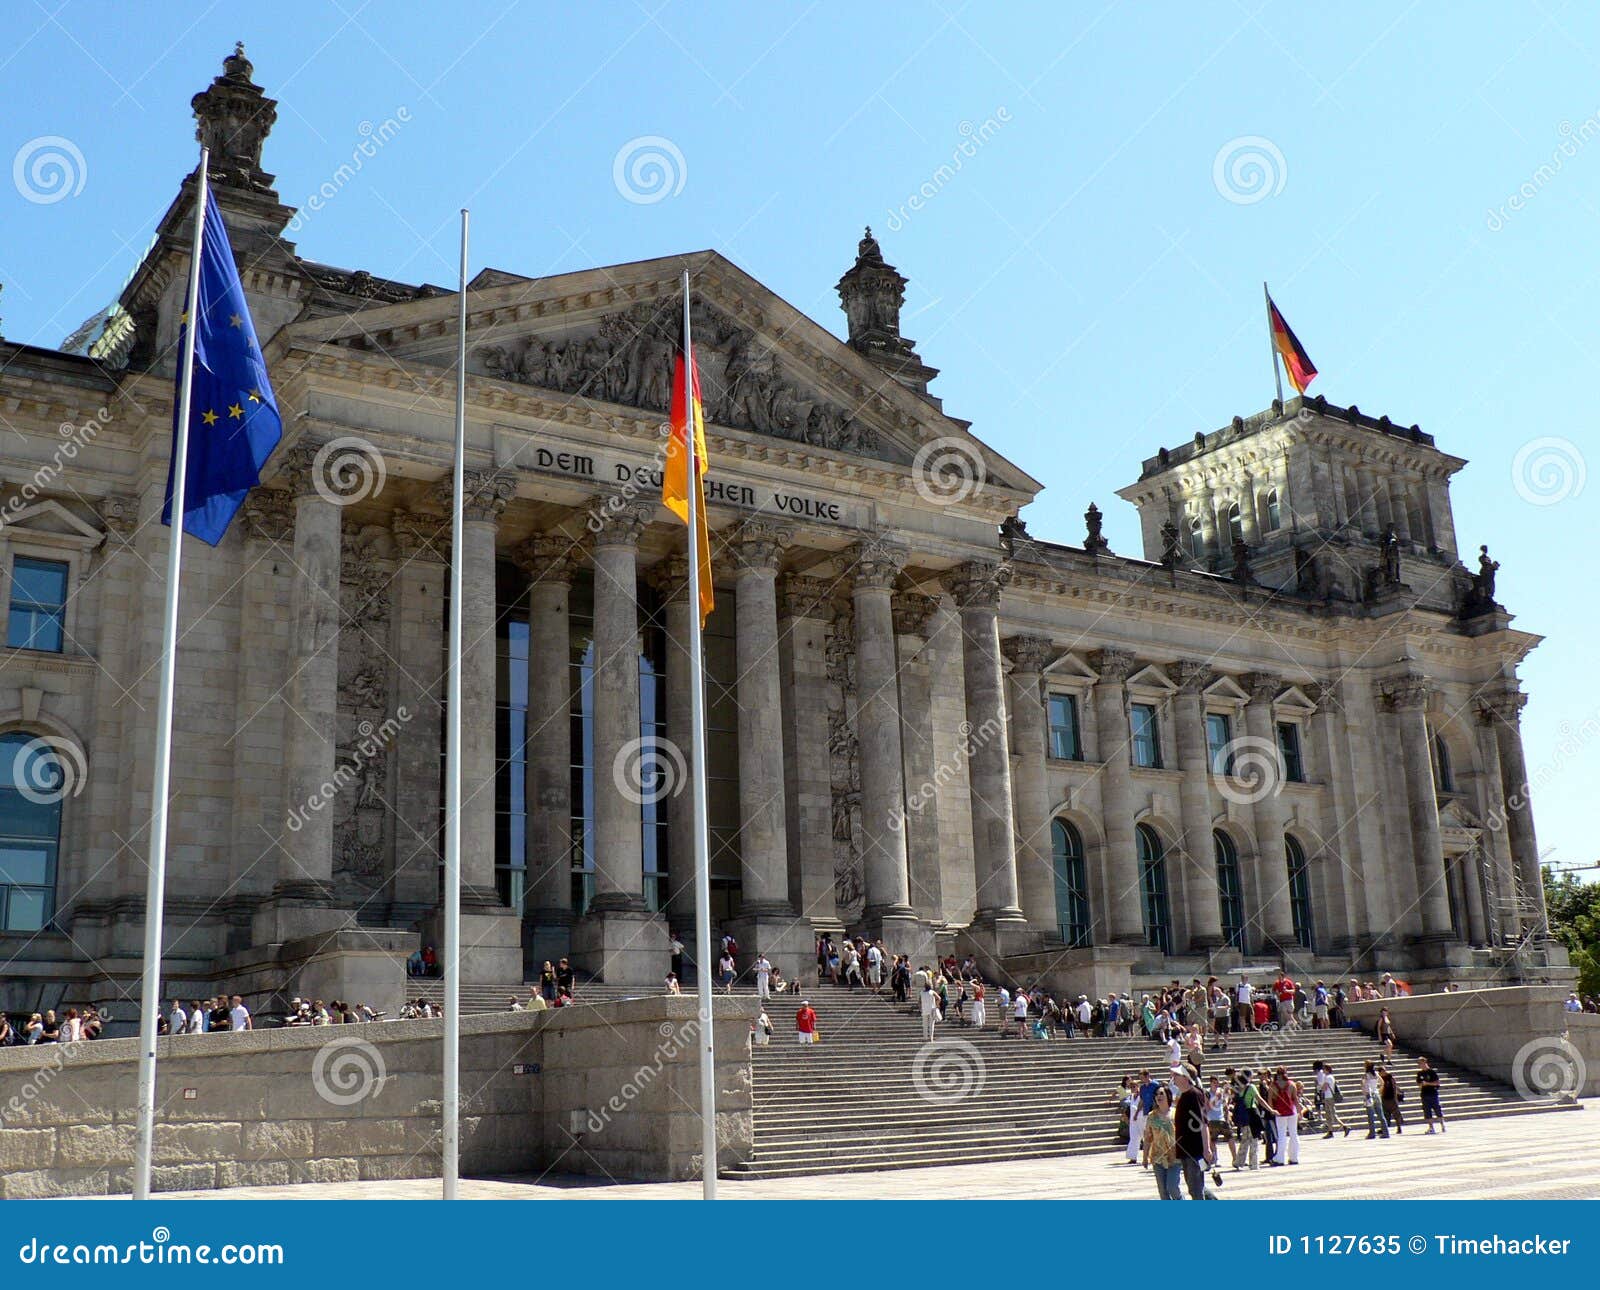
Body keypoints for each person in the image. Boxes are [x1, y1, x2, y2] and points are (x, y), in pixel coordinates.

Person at [1171, 1068, 1214, 1198]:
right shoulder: (1184, 1095)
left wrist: (1206, 1149)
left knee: (1196, 1189)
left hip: (1194, 1151)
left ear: (1186, 1077)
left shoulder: (1194, 1094)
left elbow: (1203, 1122)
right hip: (1185, 1150)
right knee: (1196, 1187)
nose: (1173, 1076)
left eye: (1177, 1074)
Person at [1140, 1086, 1182, 1199]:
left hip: (1175, 1158)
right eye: (1156, 1094)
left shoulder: (1176, 1113)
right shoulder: (1151, 1116)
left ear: (1168, 1096)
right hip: (1157, 1157)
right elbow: (1148, 1138)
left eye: (1161, 1093)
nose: (1158, 1096)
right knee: (1163, 1192)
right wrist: (1145, 1157)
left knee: (1173, 1188)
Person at [1266, 1066, 1300, 1165]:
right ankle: (1294, 1157)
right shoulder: (1292, 1084)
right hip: (1292, 1111)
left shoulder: (1273, 1085)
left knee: (1281, 1135)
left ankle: (1280, 1158)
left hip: (1280, 1112)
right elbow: (1295, 1099)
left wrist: (1272, 1110)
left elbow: (1270, 1099)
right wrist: (1299, 1111)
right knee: (1294, 1134)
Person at [1127, 1068, 1158, 1164]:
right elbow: (1142, 1101)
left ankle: (1156, 1155)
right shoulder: (1143, 1088)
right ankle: (1147, 1156)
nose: (1141, 1080)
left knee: (1155, 1134)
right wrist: (1136, 1113)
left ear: (1147, 1076)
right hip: (1146, 1113)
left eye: (1142, 1078)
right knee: (1147, 1135)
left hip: (1155, 1112)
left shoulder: (1155, 1085)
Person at [1315, 1061, 1350, 1137]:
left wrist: (1320, 1087)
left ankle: (1344, 1127)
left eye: (1324, 1069)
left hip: (1329, 1098)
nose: (1323, 1071)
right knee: (1328, 1115)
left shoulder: (1328, 1077)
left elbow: (1324, 1088)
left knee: (1332, 1115)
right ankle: (1330, 1131)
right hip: (1328, 1097)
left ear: (1327, 1070)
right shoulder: (1330, 1077)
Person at [1416, 1056, 1446, 1133]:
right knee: (1427, 1111)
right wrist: (1421, 1084)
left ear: (1424, 1062)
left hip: (1433, 1094)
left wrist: (1427, 1083)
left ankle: (1442, 1125)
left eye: (1420, 1063)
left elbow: (1437, 1083)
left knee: (1437, 1109)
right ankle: (1431, 1127)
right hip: (1424, 1094)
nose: (1419, 1065)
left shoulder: (1432, 1072)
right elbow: (1418, 1084)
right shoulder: (1420, 1073)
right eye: (1418, 1063)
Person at [1379, 1062, 1405, 1134]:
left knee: (1396, 1113)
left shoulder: (1390, 1077)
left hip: (1391, 1098)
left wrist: (1395, 1097)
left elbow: (1394, 1087)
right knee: (1385, 1114)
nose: (1384, 1072)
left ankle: (1399, 1127)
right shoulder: (1381, 1079)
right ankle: (1384, 1128)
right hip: (1384, 1098)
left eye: (1384, 1070)